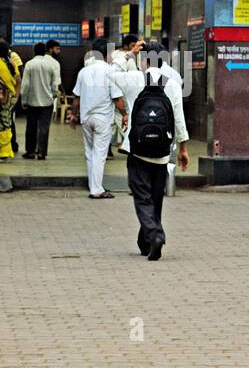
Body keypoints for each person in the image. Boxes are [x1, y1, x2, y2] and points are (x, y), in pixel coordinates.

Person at [111, 43, 190, 261]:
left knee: (142, 196)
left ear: (143, 60)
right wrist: (183, 148)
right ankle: (146, 241)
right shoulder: (172, 84)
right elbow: (179, 119)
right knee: (155, 198)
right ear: (163, 61)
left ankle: (154, 235)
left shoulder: (134, 79)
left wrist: (129, 54)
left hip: (137, 150)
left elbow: (111, 73)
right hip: (163, 152)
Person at [74, 39, 118, 198]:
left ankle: (94, 186)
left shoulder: (83, 71)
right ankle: (97, 190)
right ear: (107, 53)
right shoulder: (110, 71)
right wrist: (125, 114)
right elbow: (117, 98)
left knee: (90, 153)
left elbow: (76, 97)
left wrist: (73, 115)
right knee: (100, 155)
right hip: (102, 119)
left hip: (86, 118)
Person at [20, 41, 61, 159]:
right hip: (47, 102)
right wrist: (53, 95)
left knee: (31, 127)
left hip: (32, 102)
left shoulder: (29, 64)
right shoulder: (51, 65)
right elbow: (55, 84)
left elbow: (25, 84)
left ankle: (30, 151)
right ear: (45, 51)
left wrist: (24, 99)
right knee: (44, 128)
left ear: (34, 51)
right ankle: (42, 152)